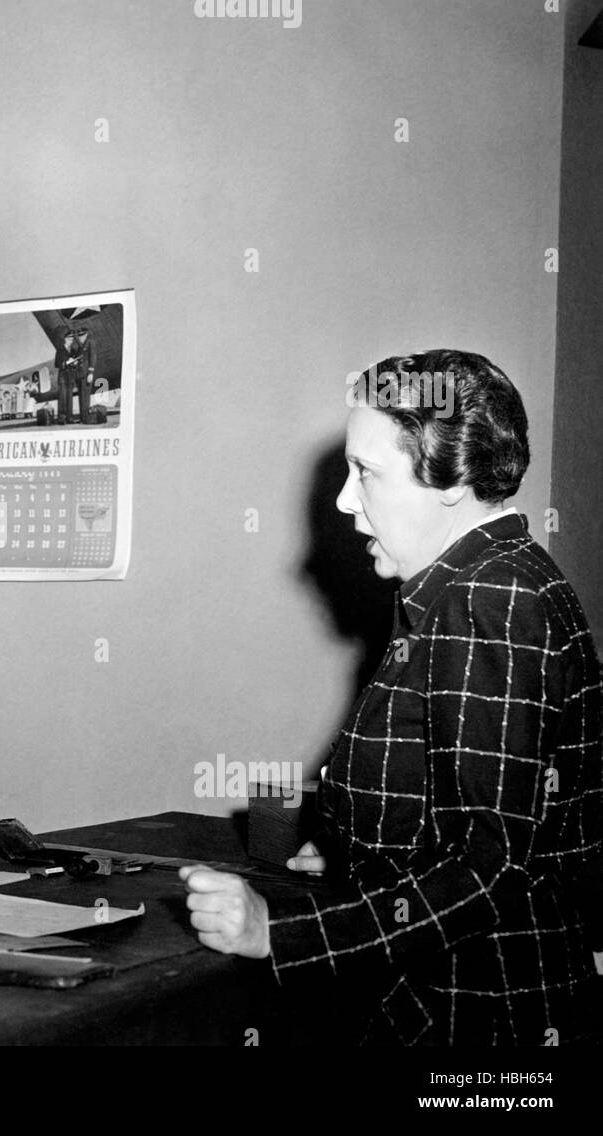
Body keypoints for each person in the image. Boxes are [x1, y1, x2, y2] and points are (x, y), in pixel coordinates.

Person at [182, 350, 602, 1045]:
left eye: (367, 473)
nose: (346, 500)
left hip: (480, 1018)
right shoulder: (483, 583)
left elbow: (487, 865)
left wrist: (276, 933)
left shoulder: (489, 599)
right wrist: (368, 853)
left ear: (451, 481)